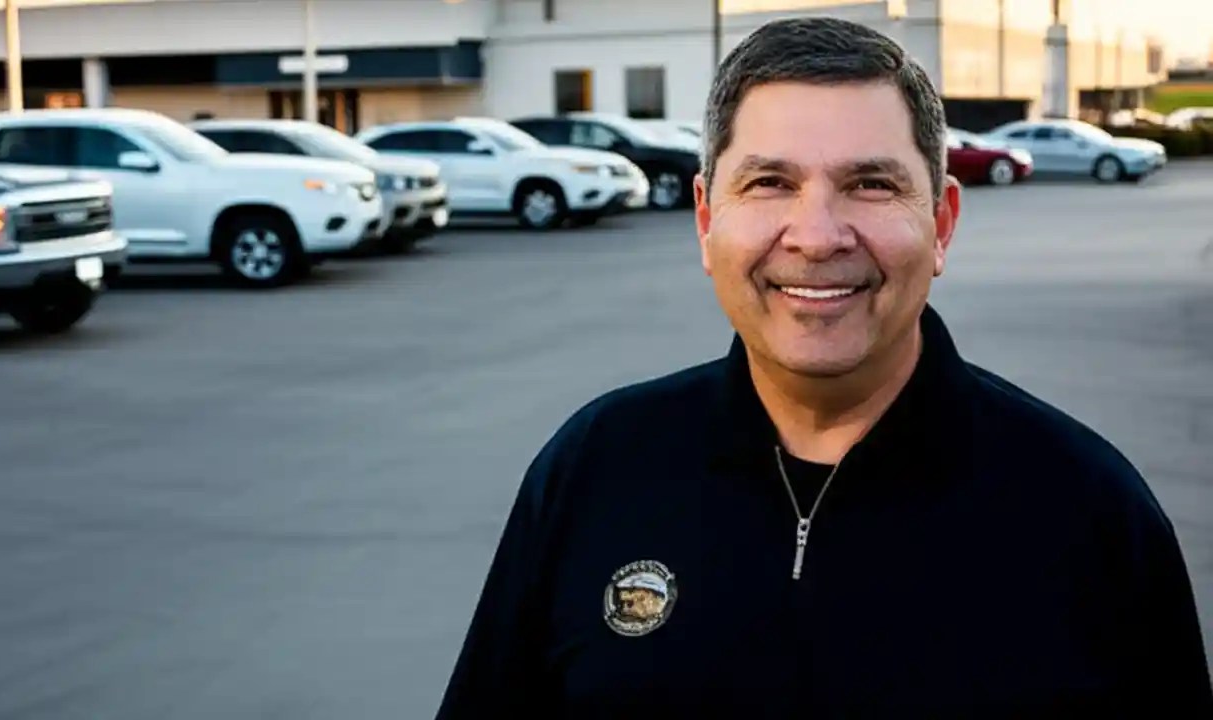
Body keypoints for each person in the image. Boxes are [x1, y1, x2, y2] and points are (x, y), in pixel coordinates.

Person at [435, 17, 1212, 718]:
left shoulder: (1088, 513)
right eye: (770, 183)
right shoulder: (594, 470)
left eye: (870, 184)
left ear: (941, 223)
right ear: (706, 220)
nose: (816, 236)